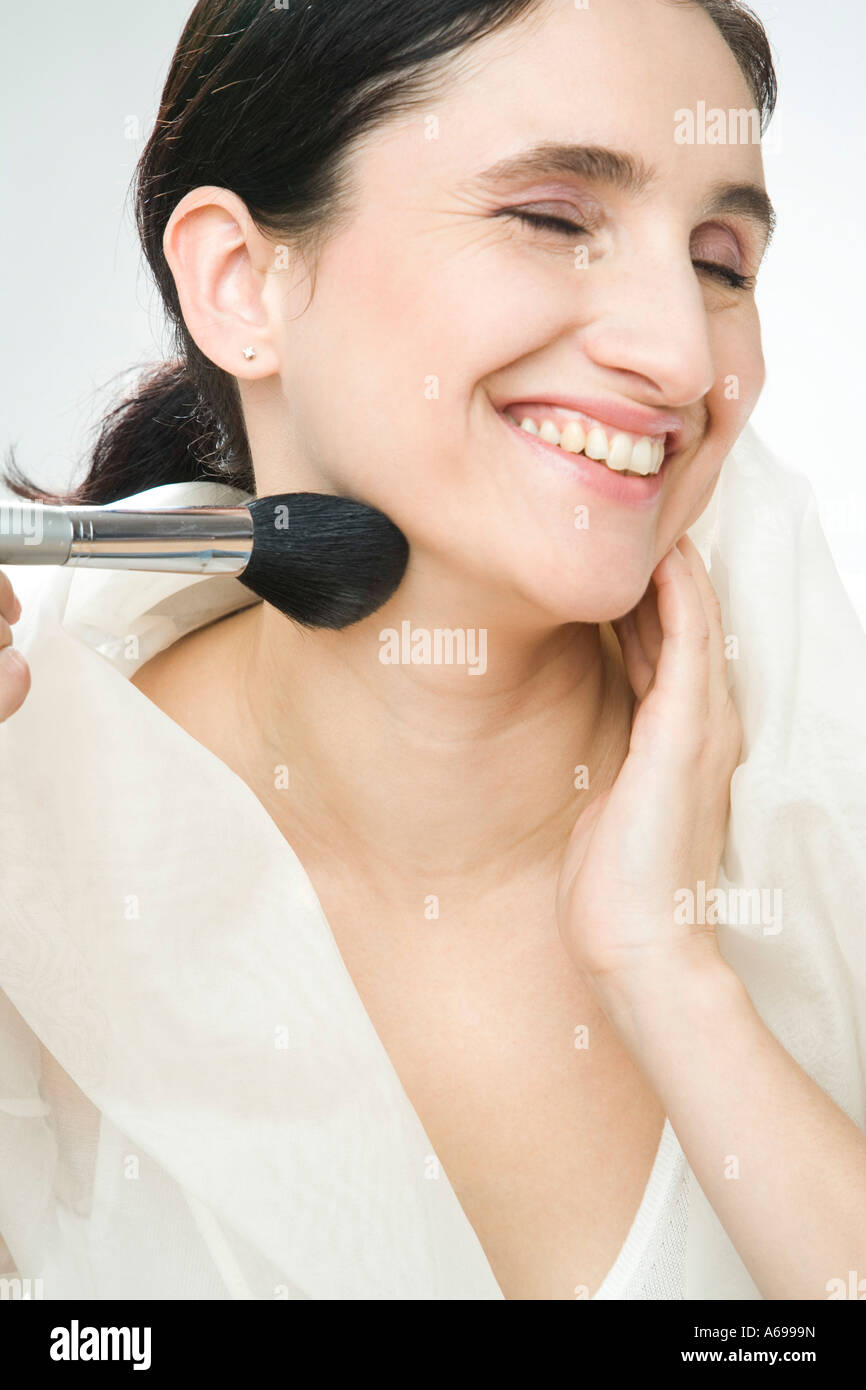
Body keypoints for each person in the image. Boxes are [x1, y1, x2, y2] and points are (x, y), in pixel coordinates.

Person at [1, 0, 864, 1301]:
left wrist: (670, 972)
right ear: (246, 285)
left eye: (718, 260)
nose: (680, 356)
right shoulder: (33, 858)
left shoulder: (821, 802)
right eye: (553, 219)